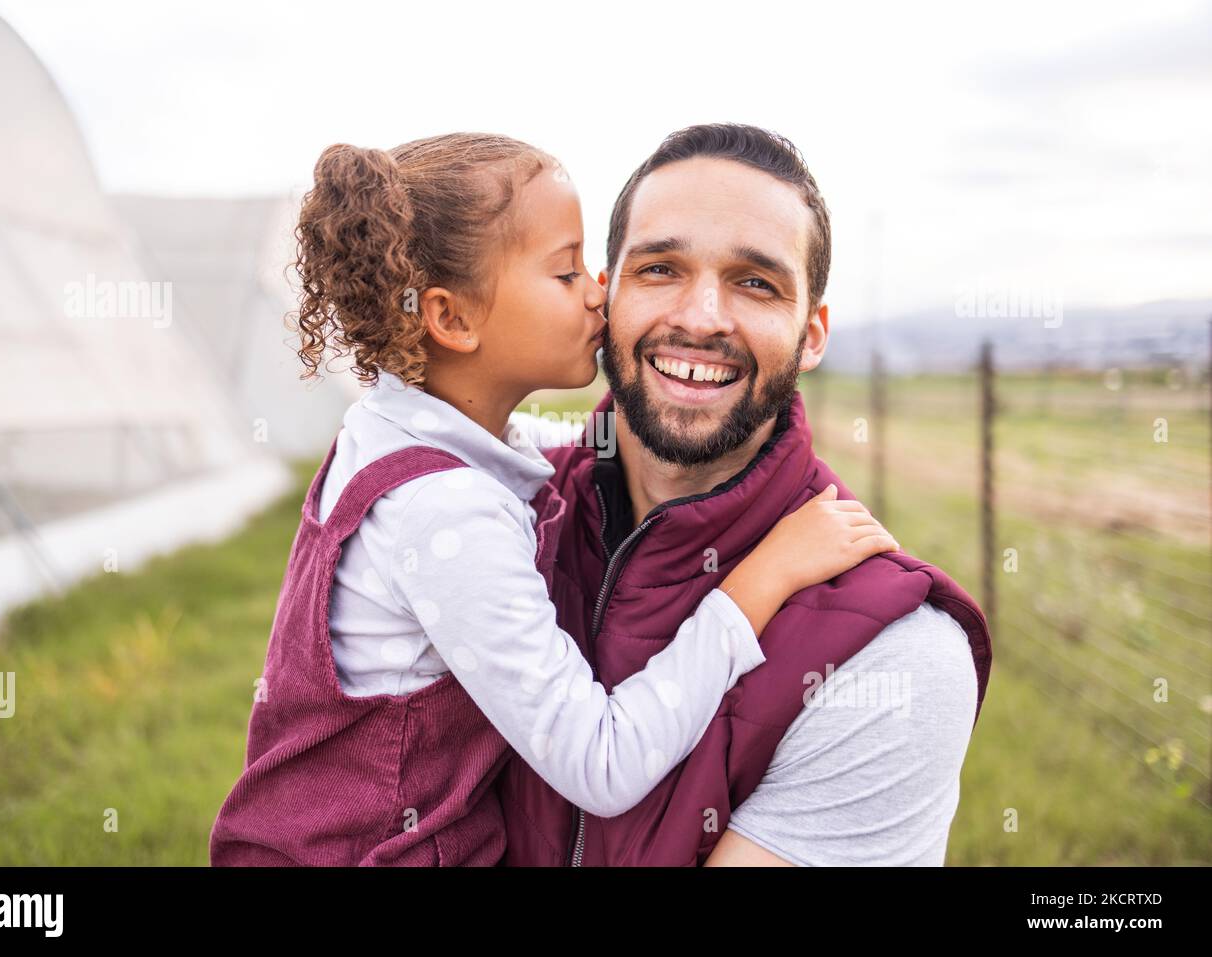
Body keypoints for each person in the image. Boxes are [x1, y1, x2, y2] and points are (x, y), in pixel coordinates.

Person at [208, 132, 898, 866]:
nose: (599, 291)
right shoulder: (447, 512)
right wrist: (760, 580)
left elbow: (539, 446)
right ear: (454, 319)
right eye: (568, 274)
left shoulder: (389, 427)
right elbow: (601, 764)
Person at [496, 123, 994, 867]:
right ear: (605, 296)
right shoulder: (486, 510)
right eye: (660, 268)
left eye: (755, 282)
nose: (700, 318)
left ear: (813, 332)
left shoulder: (898, 658)